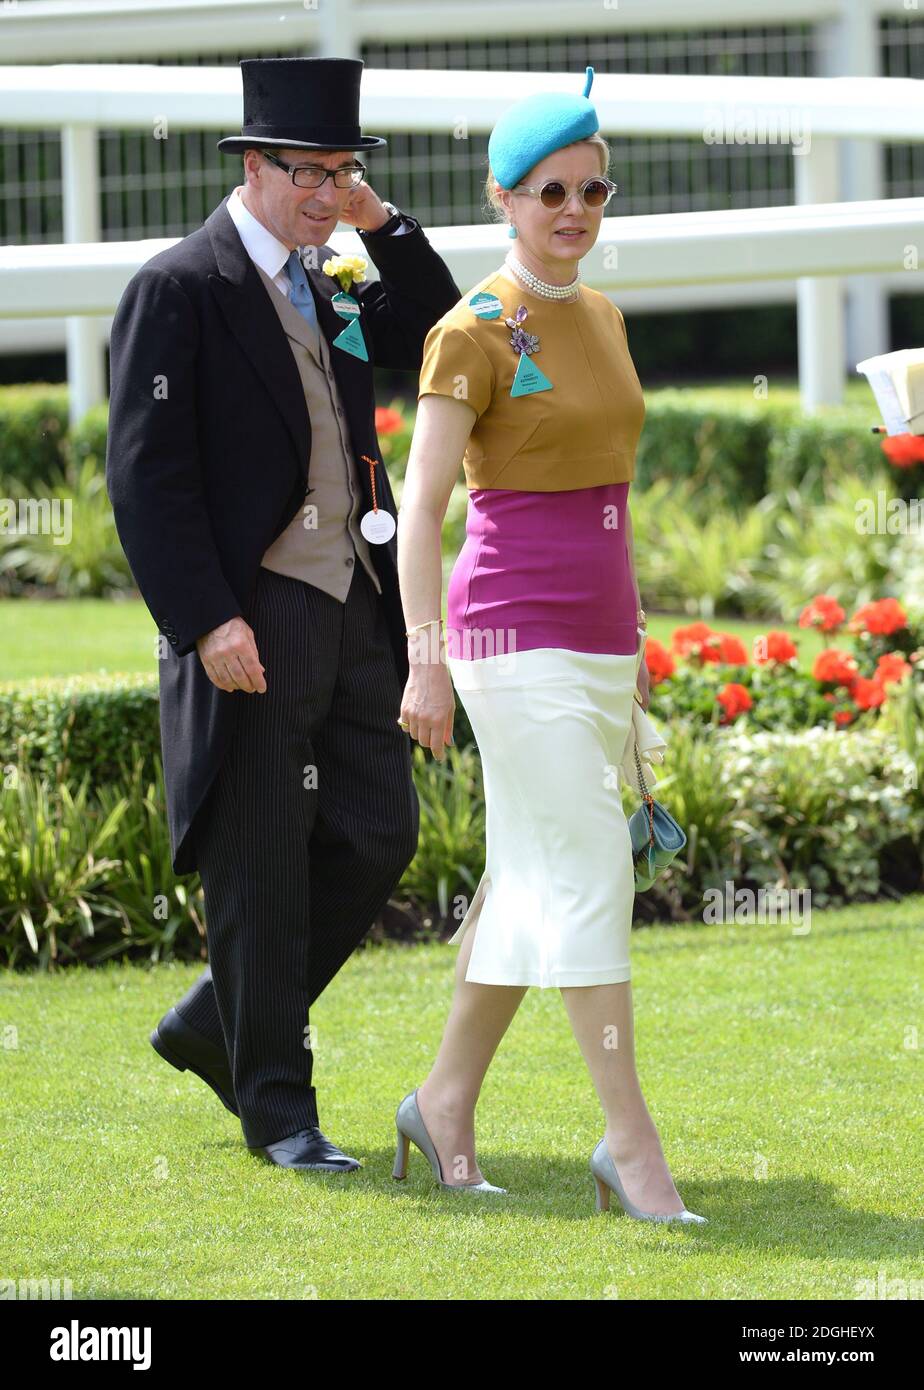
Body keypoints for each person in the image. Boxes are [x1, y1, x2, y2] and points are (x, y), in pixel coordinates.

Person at [105, 57, 460, 1172]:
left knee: (377, 830)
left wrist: (381, 219)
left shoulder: (341, 271)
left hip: (355, 595)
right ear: (253, 167)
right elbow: (145, 476)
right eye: (307, 172)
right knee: (257, 859)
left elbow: (446, 338)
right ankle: (277, 1107)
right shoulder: (181, 287)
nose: (324, 192)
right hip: (253, 606)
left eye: (342, 171)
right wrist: (207, 619)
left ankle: (221, 1019)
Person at [393, 67, 707, 1222]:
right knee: (592, 873)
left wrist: (628, 634)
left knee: (530, 880)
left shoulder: (606, 313)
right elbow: (421, 513)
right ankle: (632, 1147)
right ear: (504, 198)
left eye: (592, 190)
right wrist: (423, 657)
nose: (574, 210)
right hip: (504, 638)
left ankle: (442, 1100)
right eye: (550, 192)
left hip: (598, 642)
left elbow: (608, 485)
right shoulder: (466, 331)